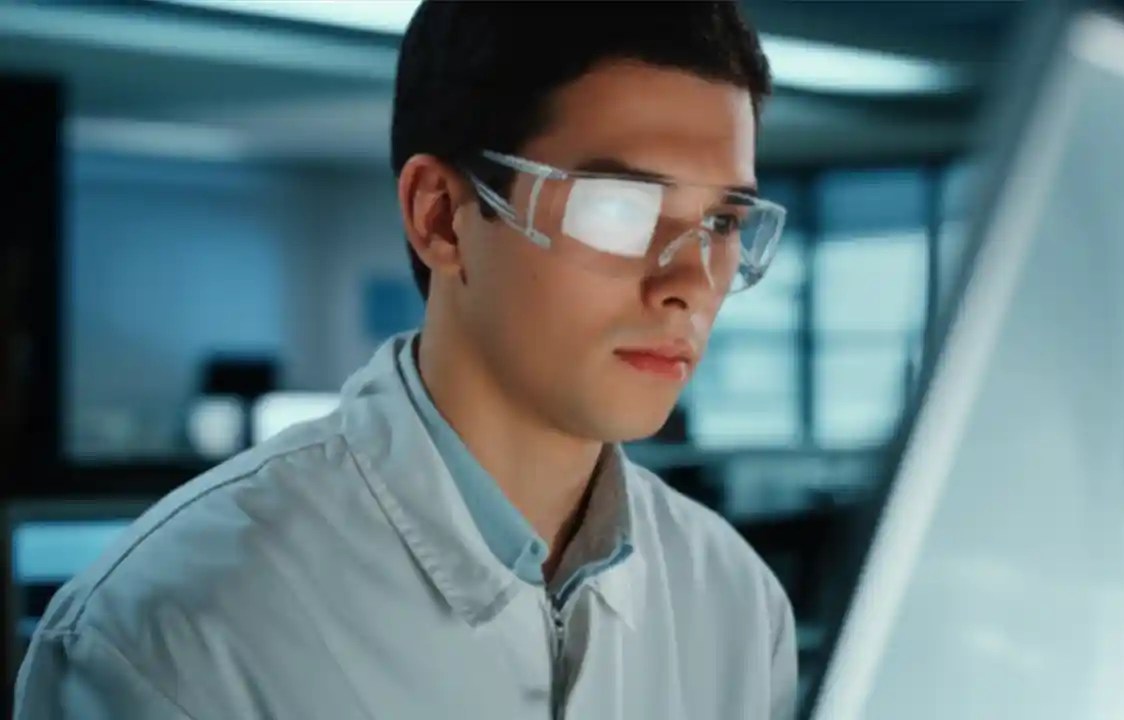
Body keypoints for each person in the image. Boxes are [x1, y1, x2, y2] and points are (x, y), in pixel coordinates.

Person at [13, 1, 797, 717]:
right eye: (621, 208)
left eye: (724, 223)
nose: (690, 284)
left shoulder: (733, 601)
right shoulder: (171, 634)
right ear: (442, 219)